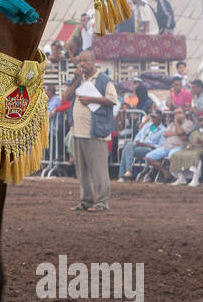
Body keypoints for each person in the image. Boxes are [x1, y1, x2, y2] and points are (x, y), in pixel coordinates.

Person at [64, 50, 118, 212]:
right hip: (78, 131)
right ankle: (86, 200)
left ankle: (101, 202)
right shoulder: (79, 79)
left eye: (85, 61)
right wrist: (75, 78)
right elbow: (67, 96)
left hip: (95, 131)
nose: (82, 64)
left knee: (98, 169)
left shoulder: (104, 80)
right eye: (80, 61)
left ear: (94, 62)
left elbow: (112, 100)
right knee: (82, 170)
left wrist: (91, 99)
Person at [145, 108, 193, 182]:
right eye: (175, 113)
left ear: (184, 115)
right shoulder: (171, 124)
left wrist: (176, 123)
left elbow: (181, 133)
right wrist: (178, 134)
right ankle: (166, 173)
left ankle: (181, 178)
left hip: (180, 147)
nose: (177, 115)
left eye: (179, 113)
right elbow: (165, 134)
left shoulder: (188, 123)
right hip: (166, 146)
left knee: (172, 156)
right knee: (148, 157)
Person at [170, 109, 203, 185]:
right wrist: (190, 145)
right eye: (200, 120)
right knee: (176, 154)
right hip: (192, 149)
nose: (202, 122)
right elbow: (190, 142)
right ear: (198, 122)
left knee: (195, 155)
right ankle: (181, 178)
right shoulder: (194, 132)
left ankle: (195, 179)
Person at [121, 107, 164, 181]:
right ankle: (128, 171)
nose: (153, 119)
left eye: (155, 117)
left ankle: (123, 174)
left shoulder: (163, 130)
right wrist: (138, 142)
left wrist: (145, 145)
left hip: (148, 149)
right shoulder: (147, 125)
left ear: (160, 118)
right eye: (152, 116)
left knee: (126, 149)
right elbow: (138, 136)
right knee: (128, 146)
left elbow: (160, 147)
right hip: (138, 146)